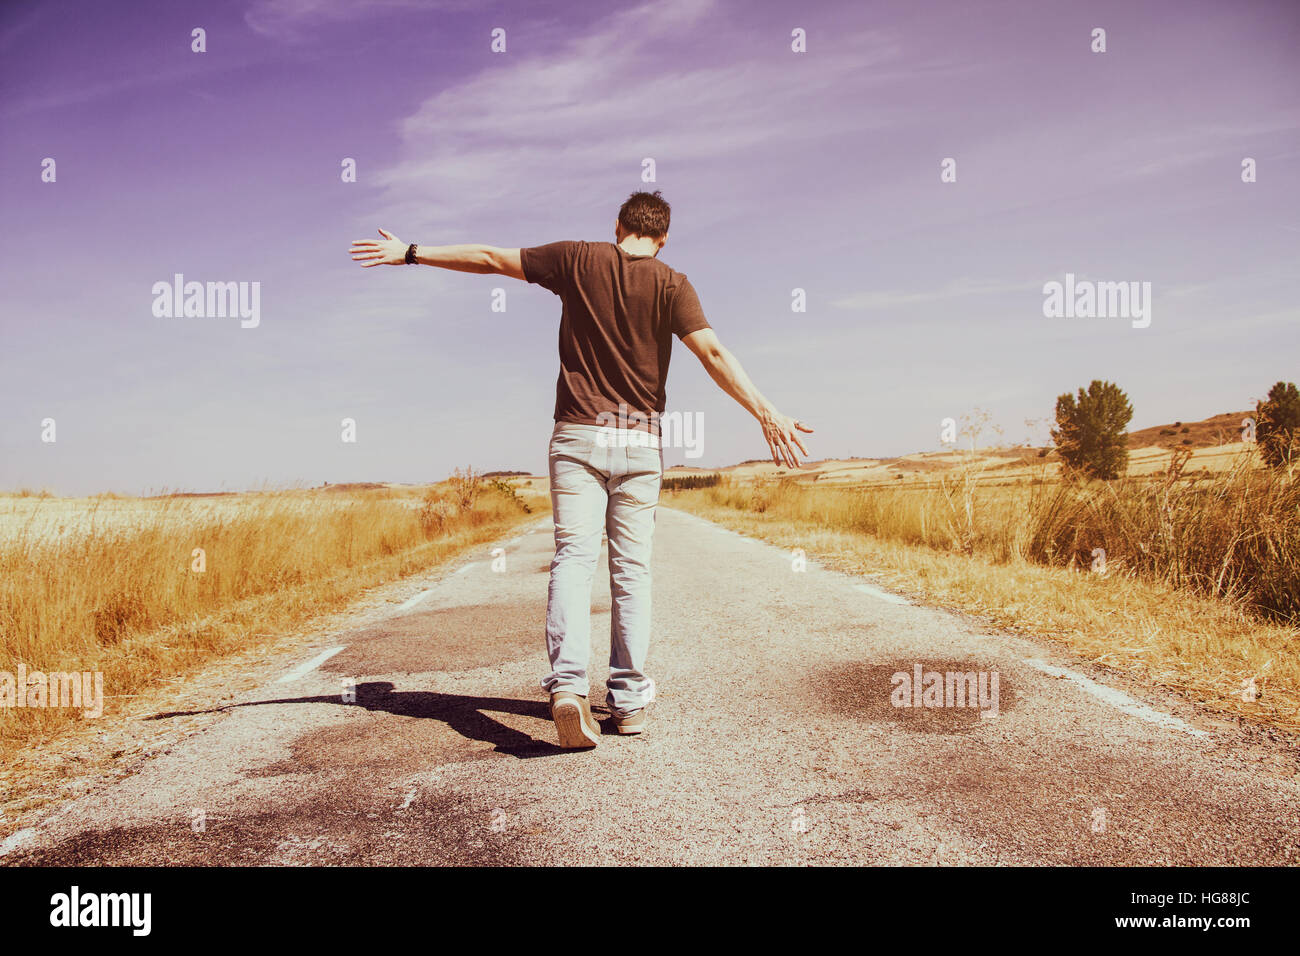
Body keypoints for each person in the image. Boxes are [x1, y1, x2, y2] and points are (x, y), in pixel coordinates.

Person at [350, 190, 812, 749]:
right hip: (639, 442)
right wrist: (768, 413)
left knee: (572, 557)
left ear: (617, 225)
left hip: (577, 436)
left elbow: (492, 258)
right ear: (663, 237)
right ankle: (629, 701)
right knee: (631, 572)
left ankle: (568, 688)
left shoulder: (577, 258)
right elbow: (712, 353)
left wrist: (412, 252)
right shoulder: (673, 282)